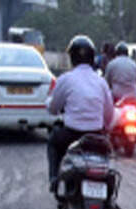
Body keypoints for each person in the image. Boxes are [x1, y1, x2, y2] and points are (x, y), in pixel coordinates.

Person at [47, 35, 114, 195]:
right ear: (92, 57)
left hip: (70, 136)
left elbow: (54, 108)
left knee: (53, 142)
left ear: (72, 58)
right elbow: (109, 114)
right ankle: (109, 195)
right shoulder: (101, 82)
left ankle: (54, 179)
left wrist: (49, 105)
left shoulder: (65, 79)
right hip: (96, 136)